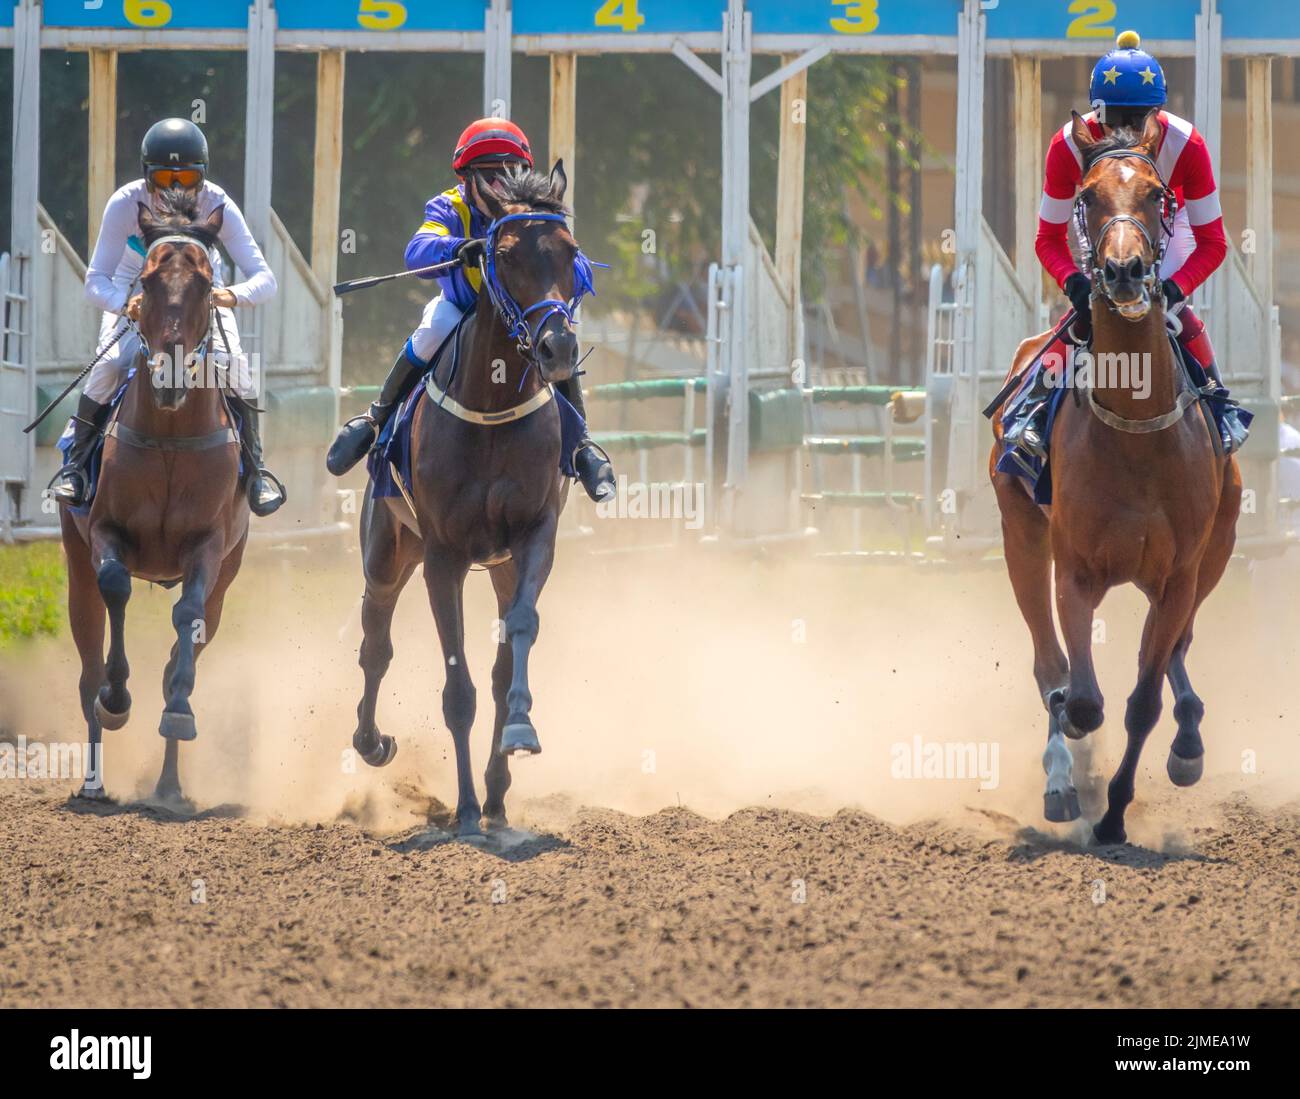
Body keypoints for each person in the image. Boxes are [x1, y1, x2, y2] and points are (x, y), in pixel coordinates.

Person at [326, 117, 615, 501]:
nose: (498, 184)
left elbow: (572, 263)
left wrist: (567, 267)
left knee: (557, 339)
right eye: (487, 174)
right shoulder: (449, 205)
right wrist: (455, 248)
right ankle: (377, 419)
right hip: (461, 310)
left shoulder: (536, 214)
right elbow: (418, 249)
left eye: (508, 172)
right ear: (467, 179)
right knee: (434, 328)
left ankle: (581, 446)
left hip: (519, 320)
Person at [1015, 29, 1247, 456]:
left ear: (1156, 114)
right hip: (1103, 234)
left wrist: (1174, 289)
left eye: (1136, 120)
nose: (1123, 132)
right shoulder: (1067, 145)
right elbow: (1048, 238)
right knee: (1084, 317)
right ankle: (1034, 408)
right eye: (1114, 120)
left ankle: (1218, 405)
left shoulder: (1187, 145)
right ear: (1095, 114)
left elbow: (1212, 242)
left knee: (1178, 316)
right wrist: (1074, 284)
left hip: (1166, 234)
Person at [50, 117, 285, 515]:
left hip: (201, 295)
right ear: (147, 174)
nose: (176, 185)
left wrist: (230, 295)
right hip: (135, 289)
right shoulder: (126, 202)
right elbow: (96, 279)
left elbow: (265, 279)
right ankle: (76, 465)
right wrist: (124, 303)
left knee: (233, 365)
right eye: (164, 175)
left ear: (203, 175)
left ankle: (257, 471)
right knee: (112, 362)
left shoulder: (218, 202)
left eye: (186, 176)